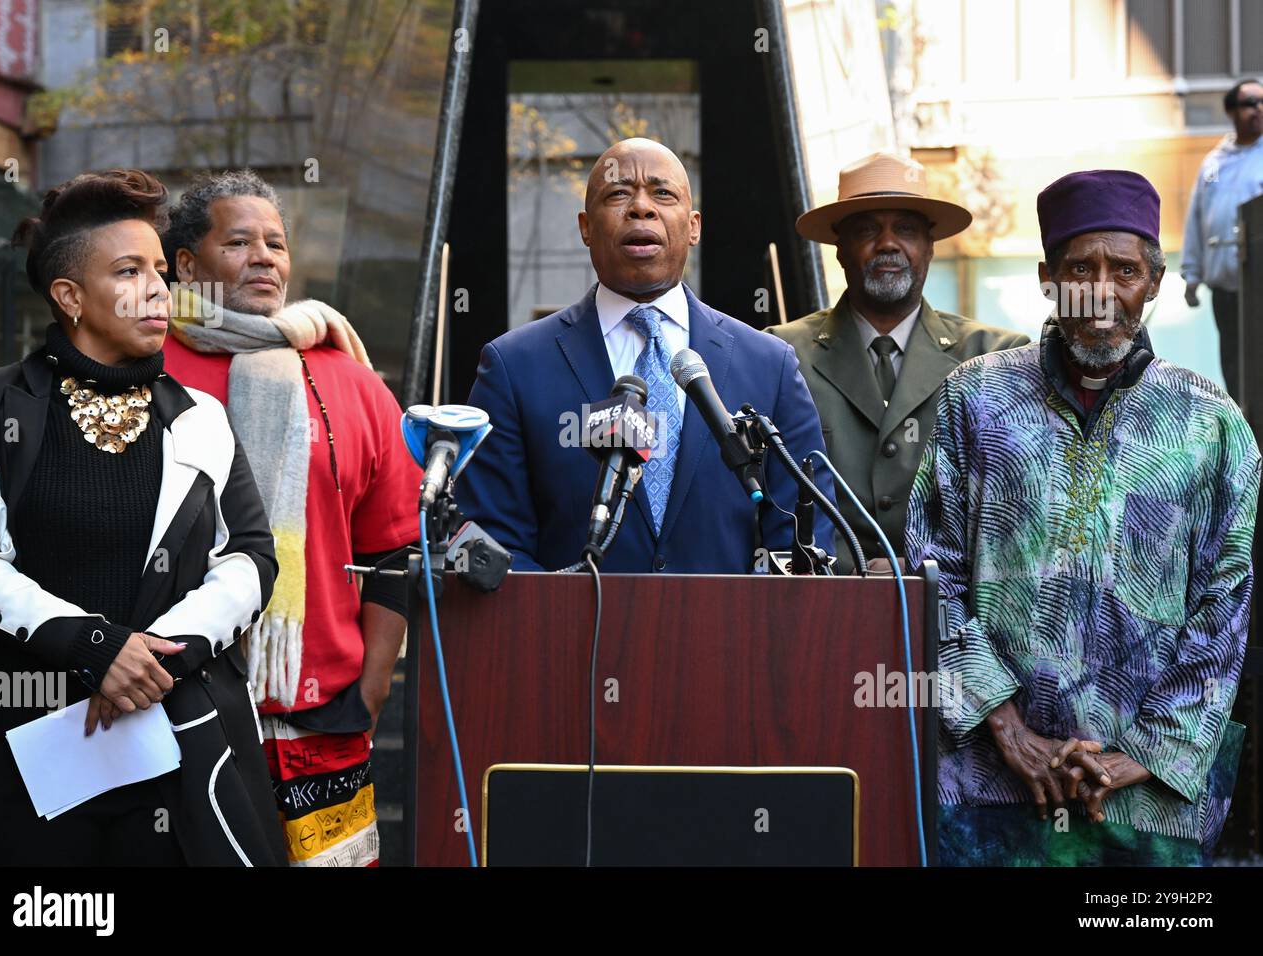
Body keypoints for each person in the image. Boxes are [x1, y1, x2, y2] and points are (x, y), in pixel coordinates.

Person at [907, 169, 1260, 866]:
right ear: (1048, 277)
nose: (1101, 290)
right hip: (990, 789)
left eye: (1124, 269)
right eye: (1080, 268)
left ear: (1154, 282)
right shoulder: (973, 400)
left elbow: (1228, 604)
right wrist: (1006, 730)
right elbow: (929, 572)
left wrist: (1143, 755)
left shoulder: (1210, 422)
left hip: (1150, 803)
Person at [0, 168, 285, 865]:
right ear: (70, 297)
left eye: (161, 271)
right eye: (128, 271)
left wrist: (153, 657)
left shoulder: (202, 416)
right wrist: (92, 646)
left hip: (175, 747)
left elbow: (252, 557)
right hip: (30, 753)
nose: (157, 290)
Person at [162, 170, 420, 867]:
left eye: (275, 243)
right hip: (172, 705)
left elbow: (395, 548)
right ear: (186, 265)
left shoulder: (350, 378)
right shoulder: (143, 367)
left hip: (323, 719)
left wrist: (370, 690)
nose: (265, 257)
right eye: (239, 241)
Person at [457, 138, 835, 574]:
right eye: (618, 194)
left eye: (662, 193)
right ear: (585, 226)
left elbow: (801, 541)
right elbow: (493, 544)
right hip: (576, 638)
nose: (641, 207)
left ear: (693, 226)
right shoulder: (513, 367)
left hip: (730, 638)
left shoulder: (771, 367)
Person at [768, 152, 1027, 560]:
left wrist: (927, 569)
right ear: (839, 248)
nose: (887, 243)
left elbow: (1009, 510)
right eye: (867, 229)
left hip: (948, 613)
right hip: (822, 609)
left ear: (930, 246)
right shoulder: (781, 354)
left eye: (905, 229)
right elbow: (771, 506)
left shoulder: (996, 357)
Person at [1182, 77, 1263, 401]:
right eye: (1249, 103)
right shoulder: (1215, 162)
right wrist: (1191, 275)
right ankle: (1244, 431)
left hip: (1259, 286)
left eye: (1261, 102)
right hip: (1227, 288)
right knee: (1234, 363)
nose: (1258, 109)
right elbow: (1198, 217)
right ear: (1231, 110)